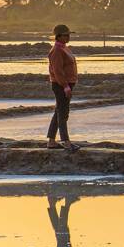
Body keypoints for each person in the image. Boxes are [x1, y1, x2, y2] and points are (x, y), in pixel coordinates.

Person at [46, 23, 79, 151]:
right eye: (66, 35)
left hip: (67, 83)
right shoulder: (56, 51)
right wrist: (65, 87)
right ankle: (66, 141)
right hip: (60, 85)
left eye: (69, 35)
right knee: (63, 113)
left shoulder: (65, 48)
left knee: (58, 111)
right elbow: (58, 71)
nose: (68, 37)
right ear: (58, 36)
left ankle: (51, 141)